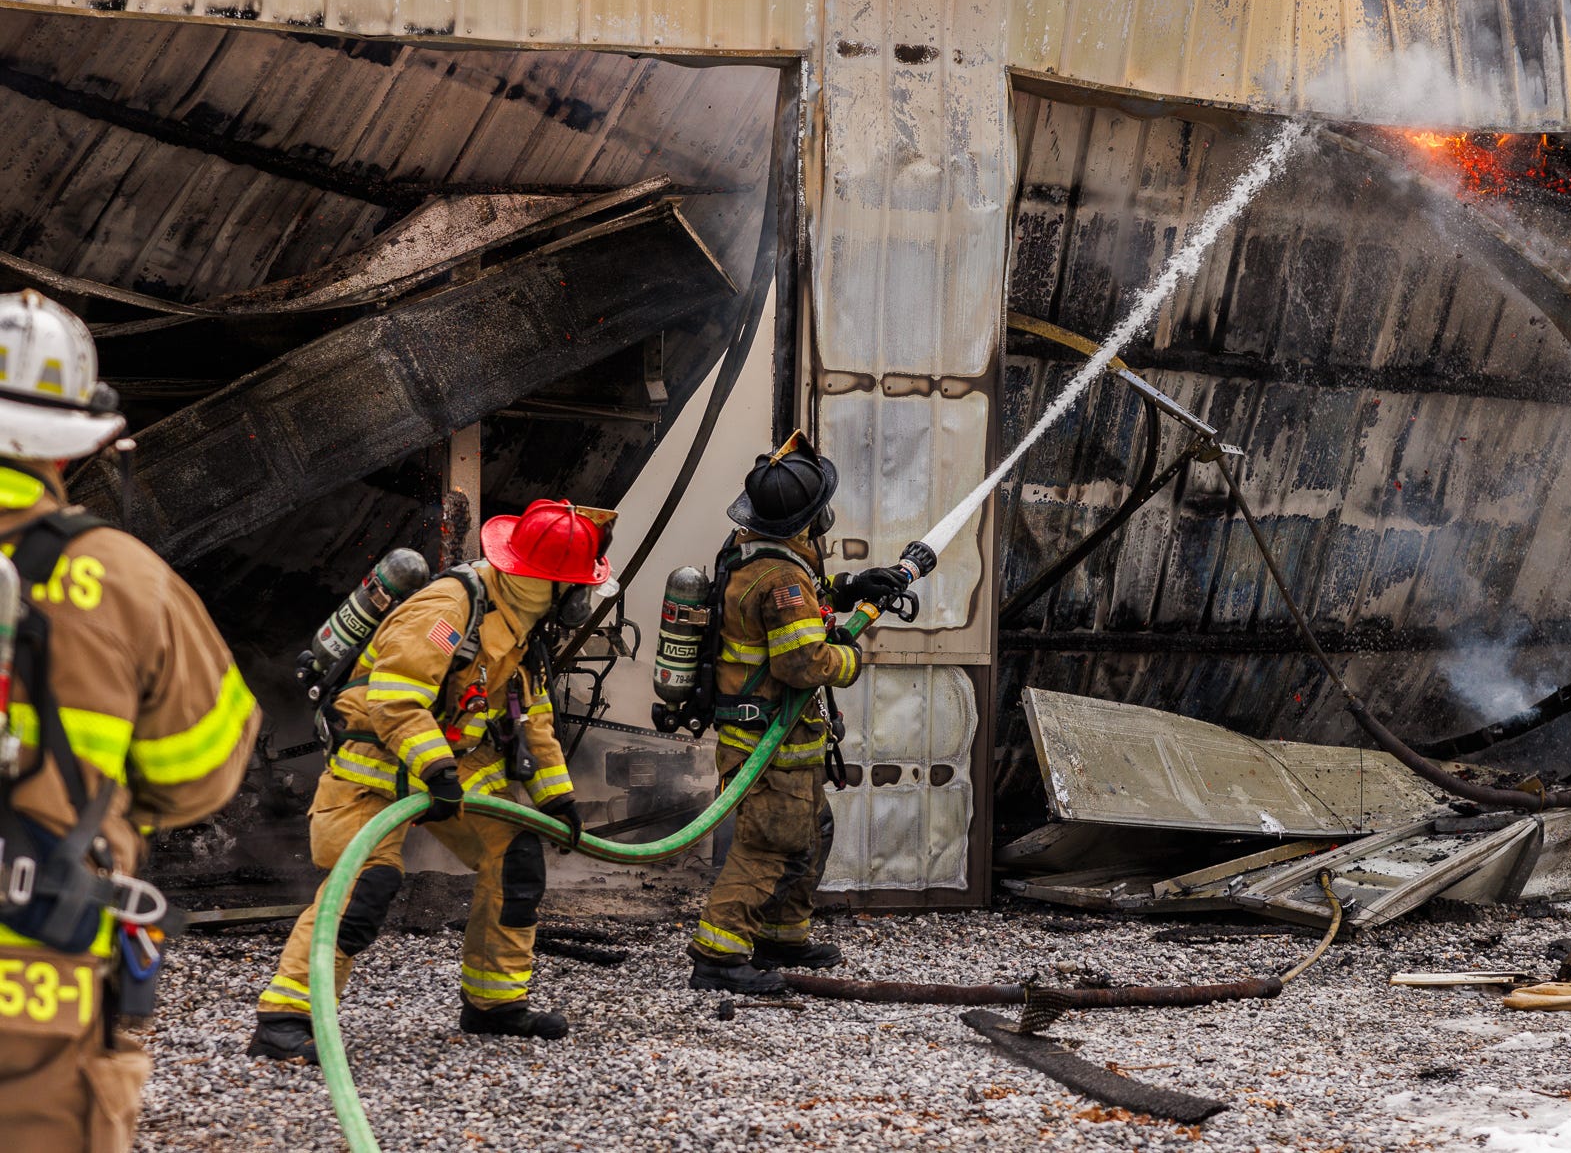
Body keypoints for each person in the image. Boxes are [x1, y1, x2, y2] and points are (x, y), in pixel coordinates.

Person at [0, 291, 262, 1150]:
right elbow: (206, 766)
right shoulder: (122, 577)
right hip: (34, 970)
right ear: (75, 446)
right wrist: (105, 807)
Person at [247, 499, 611, 1061]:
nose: (582, 599)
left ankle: (495, 1003)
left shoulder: (520, 624)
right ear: (552, 584)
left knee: (515, 858)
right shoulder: (449, 607)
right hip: (374, 764)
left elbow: (531, 716)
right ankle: (286, 1017)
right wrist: (437, 769)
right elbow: (394, 700)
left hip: (447, 760)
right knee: (363, 886)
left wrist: (555, 797)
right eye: (578, 586)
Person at [685, 432, 911, 995]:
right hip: (771, 737)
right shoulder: (782, 578)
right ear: (811, 517)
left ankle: (783, 934)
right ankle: (719, 954)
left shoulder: (755, 554)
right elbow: (802, 662)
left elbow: (795, 603)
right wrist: (851, 660)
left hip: (783, 735)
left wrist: (849, 586)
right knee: (770, 841)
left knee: (811, 829)